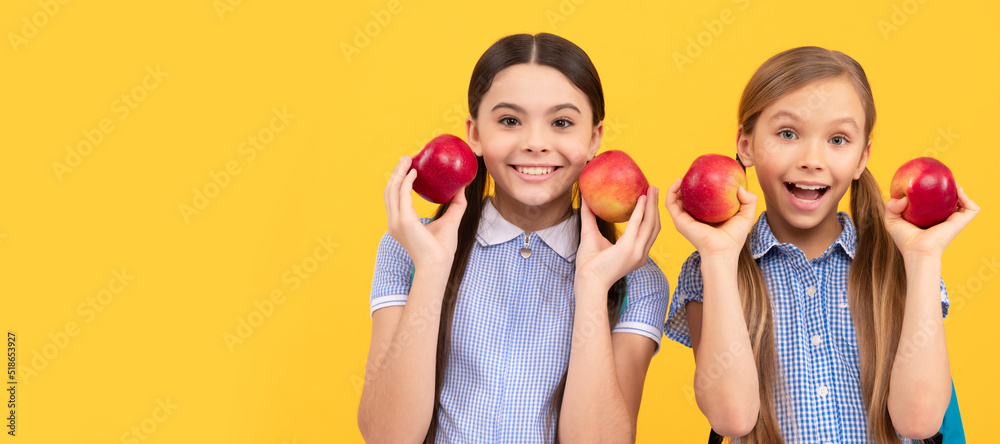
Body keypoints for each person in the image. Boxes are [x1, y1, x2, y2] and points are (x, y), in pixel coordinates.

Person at [358, 33, 670, 443]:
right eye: (509, 121)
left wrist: (594, 285)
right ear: (474, 134)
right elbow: (387, 436)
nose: (535, 144)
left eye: (561, 123)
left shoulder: (635, 278)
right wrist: (432, 268)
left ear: (594, 138)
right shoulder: (411, 247)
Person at [663, 46, 979, 443]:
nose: (812, 159)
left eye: (838, 139)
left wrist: (924, 258)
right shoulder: (711, 268)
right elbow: (732, 419)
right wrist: (717, 257)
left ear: (862, 157)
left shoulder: (901, 265)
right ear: (746, 145)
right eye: (788, 133)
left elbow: (920, 422)